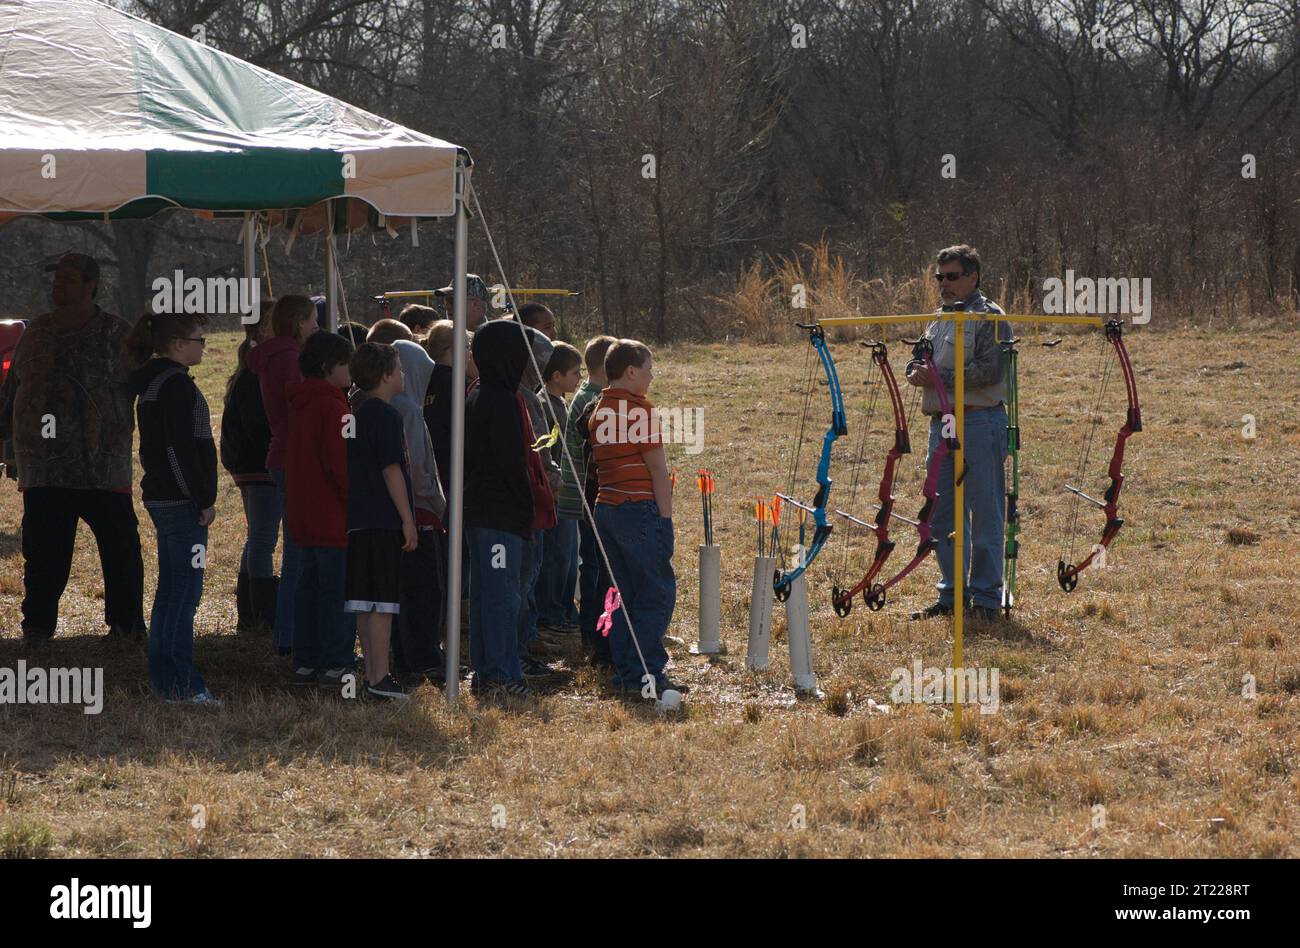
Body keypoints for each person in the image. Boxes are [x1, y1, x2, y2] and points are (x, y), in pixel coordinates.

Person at [0, 253, 146, 642]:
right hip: (44, 470)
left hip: (104, 468)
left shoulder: (118, 334)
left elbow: (146, 388)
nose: (57, 285)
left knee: (121, 551)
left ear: (90, 286)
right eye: (56, 278)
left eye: (68, 279)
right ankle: (37, 627)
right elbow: (13, 392)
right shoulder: (37, 333)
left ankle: (125, 626)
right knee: (43, 555)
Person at [905, 244, 1011, 624]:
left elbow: (989, 370)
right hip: (941, 424)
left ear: (972, 277)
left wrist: (935, 378)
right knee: (941, 517)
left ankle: (985, 601)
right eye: (940, 277)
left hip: (980, 422)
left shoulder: (990, 317)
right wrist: (914, 369)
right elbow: (922, 356)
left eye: (952, 276)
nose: (944, 284)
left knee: (985, 513)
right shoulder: (939, 317)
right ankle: (952, 596)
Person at [125, 312, 219, 706]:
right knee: (184, 592)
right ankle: (182, 683)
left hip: (165, 498)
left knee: (171, 591)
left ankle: (166, 679)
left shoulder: (156, 383)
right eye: (199, 340)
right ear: (178, 344)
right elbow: (178, 451)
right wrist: (201, 499)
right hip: (180, 503)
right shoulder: (175, 386)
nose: (203, 346)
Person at [463, 320, 554, 699]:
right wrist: (526, 505)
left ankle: (488, 670)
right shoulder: (497, 399)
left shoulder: (482, 392)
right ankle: (499, 672)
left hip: (486, 513)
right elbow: (510, 463)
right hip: (499, 516)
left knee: (488, 594)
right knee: (499, 595)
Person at [590, 339, 682, 698]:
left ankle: (627, 670)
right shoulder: (639, 411)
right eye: (648, 368)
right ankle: (648, 673)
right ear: (630, 371)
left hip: (607, 508)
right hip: (639, 508)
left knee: (620, 594)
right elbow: (658, 470)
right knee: (655, 592)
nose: (652, 375)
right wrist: (665, 519)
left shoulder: (600, 409)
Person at [344, 342, 418, 701]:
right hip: (382, 520)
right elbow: (392, 470)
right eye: (400, 369)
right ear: (387, 376)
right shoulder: (387, 417)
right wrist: (407, 519)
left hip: (357, 520)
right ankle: (380, 676)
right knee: (382, 603)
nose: (403, 374)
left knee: (364, 600)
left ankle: (372, 673)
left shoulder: (353, 414)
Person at [284, 331, 356, 687]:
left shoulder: (298, 403)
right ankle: (337, 661)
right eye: (346, 364)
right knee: (337, 592)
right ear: (329, 368)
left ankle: (306, 660)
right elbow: (341, 464)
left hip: (303, 515)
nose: (351, 370)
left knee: (308, 589)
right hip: (332, 518)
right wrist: (354, 501)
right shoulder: (334, 406)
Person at [247, 295, 318, 655]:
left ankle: (288, 631)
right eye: (312, 321)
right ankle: (289, 634)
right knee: (297, 551)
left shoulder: (272, 355)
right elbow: (301, 409)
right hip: (294, 456)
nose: (317, 327)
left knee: (295, 547)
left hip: (283, 453)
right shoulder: (289, 359)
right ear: (297, 322)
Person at [391, 340, 448, 685]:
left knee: (403, 592)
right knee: (425, 591)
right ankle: (425, 658)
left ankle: (406, 656)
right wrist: (436, 501)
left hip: (399, 514)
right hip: (420, 513)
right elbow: (416, 463)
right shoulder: (408, 409)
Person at [557, 335, 615, 662]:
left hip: (585, 497)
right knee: (594, 568)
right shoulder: (594, 399)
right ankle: (595, 633)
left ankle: (594, 631)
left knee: (592, 565)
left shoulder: (586, 394)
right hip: (589, 499)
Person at [221, 304, 277, 635]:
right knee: (263, 539)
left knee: (258, 536)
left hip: (251, 466)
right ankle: (261, 612)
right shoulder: (257, 374)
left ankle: (250, 608)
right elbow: (259, 425)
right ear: (260, 332)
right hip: (260, 467)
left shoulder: (249, 371)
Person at [516, 326, 561, 674]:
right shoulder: (523, 399)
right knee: (524, 578)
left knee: (527, 577)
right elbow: (541, 452)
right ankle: (520, 645)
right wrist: (554, 480)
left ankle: (527, 636)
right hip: (530, 504)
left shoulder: (528, 394)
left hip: (534, 501)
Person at [535, 341, 583, 635]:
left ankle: (565, 607)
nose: (578, 379)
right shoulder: (543, 404)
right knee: (556, 556)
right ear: (555, 376)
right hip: (555, 494)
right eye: (575, 373)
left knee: (568, 555)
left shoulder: (561, 401)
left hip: (566, 494)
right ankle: (550, 612)